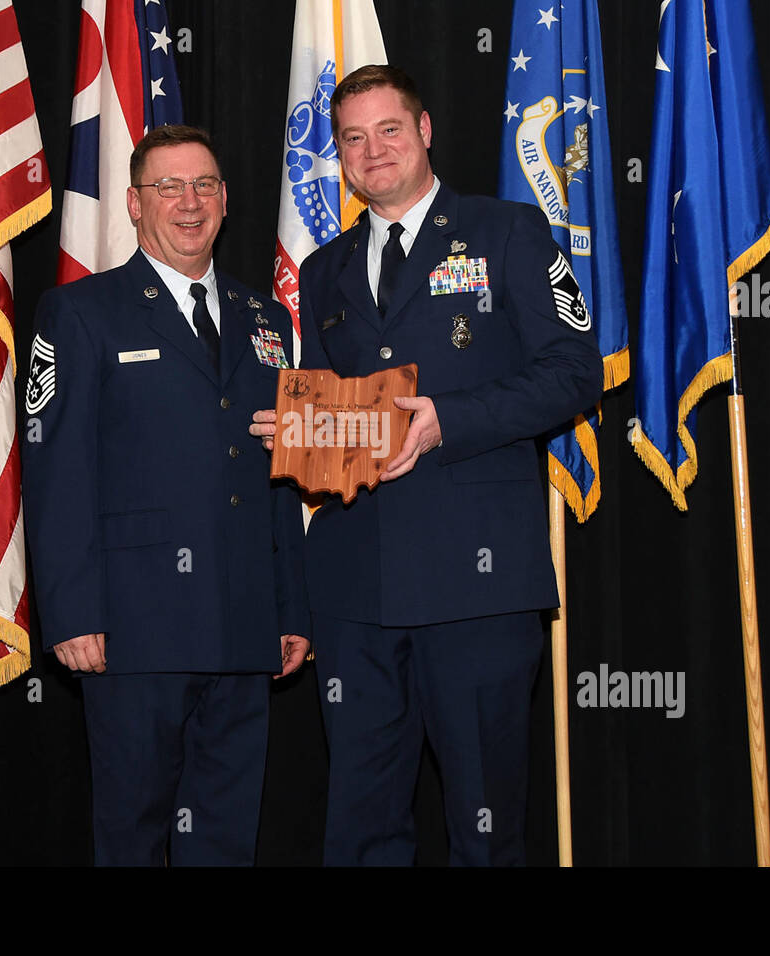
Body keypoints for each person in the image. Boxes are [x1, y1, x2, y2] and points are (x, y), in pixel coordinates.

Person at [251, 65, 602, 865]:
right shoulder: (322, 270)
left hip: (474, 584)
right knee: (362, 828)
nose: (372, 151)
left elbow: (576, 371)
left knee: (483, 824)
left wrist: (450, 421)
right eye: (352, 138)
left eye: (389, 130)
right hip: (355, 589)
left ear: (426, 130)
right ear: (337, 153)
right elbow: (345, 410)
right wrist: (300, 435)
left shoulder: (507, 231)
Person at [23, 125, 310, 866]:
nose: (191, 203)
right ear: (133, 203)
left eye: (206, 185)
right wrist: (72, 610)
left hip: (244, 621)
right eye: (170, 187)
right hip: (132, 625)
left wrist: (290, 607)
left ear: (225, 200)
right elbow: (55, 473)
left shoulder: (265, 320)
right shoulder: (80, 312)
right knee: (133, 832)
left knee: (225, 835)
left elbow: (276, 474)